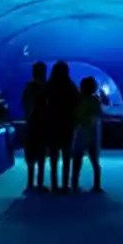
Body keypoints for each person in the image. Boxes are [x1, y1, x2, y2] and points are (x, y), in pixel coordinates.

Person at [45, 60, 79, 193]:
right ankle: (65, 184)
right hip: (67, 123)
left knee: (53, 155)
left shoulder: (49, 86)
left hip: (52, 123)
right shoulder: (71, 86)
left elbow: (44, 104)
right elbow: (77, 103)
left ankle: (54, 184)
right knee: (66, 155)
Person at [71, 76, 104, 192]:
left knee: (77, 160)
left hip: (80, 131)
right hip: (92, 132)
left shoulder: (78, 100)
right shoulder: (94, 101)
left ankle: (74, 184)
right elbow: (99, 114)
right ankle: (97, 185)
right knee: (95, 161)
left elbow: (74, 116)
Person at [21, 62, 49, 192]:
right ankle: (37, 184)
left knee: (32, 155)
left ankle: (30, 183)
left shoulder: (29, 88)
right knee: (40, 155)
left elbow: (26, 106)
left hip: (32, 125)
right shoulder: (45, 88)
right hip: (41, 125)